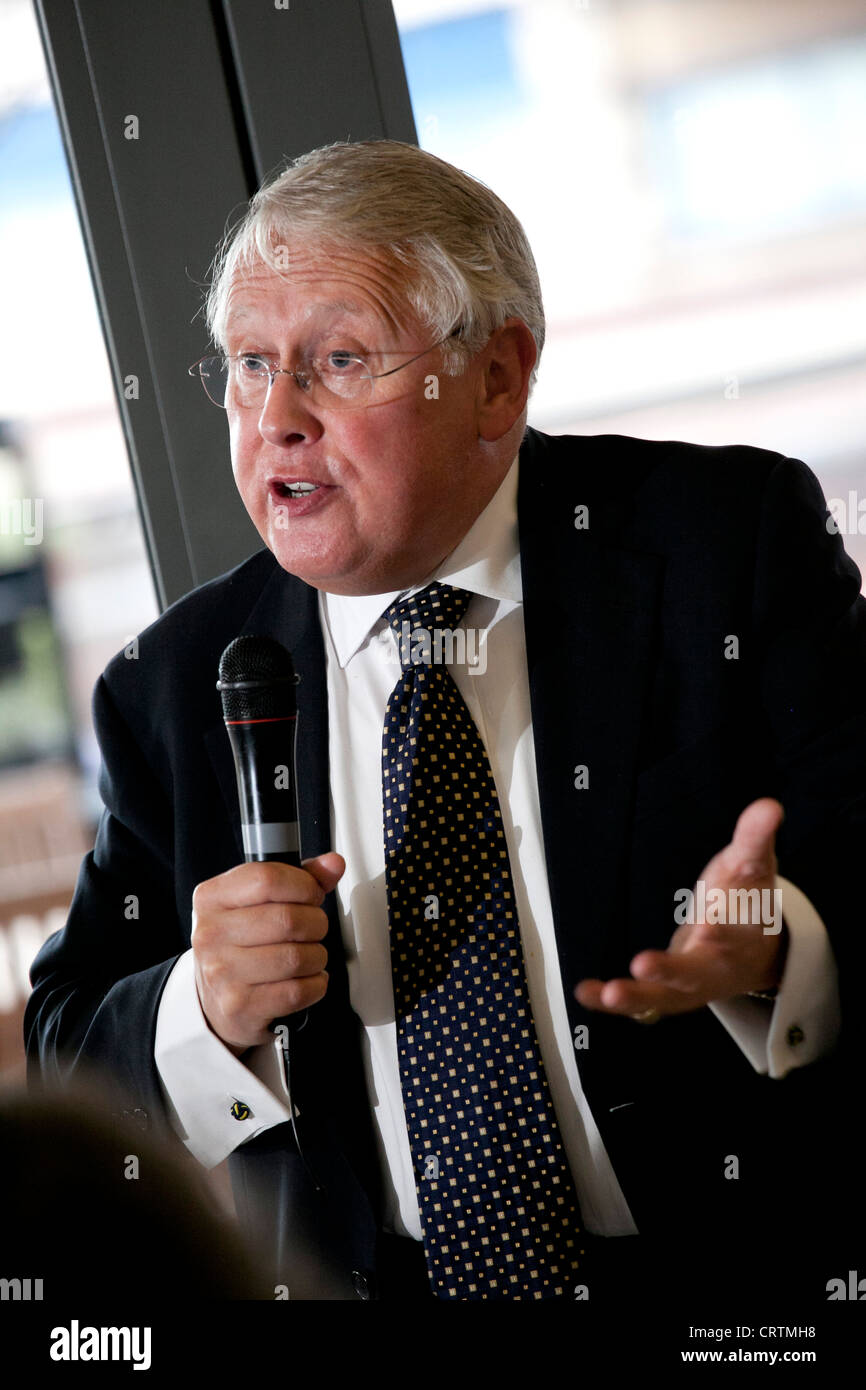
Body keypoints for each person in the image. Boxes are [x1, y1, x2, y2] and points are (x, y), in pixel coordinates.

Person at [25, 140, 865, 1308]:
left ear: (496, 380)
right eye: (250, 364)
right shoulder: (171, 679)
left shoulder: (722, 544)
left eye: (338, 359)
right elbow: (67, 1049)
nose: (276, 418)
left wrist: (784, 945)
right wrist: (202, 1009)